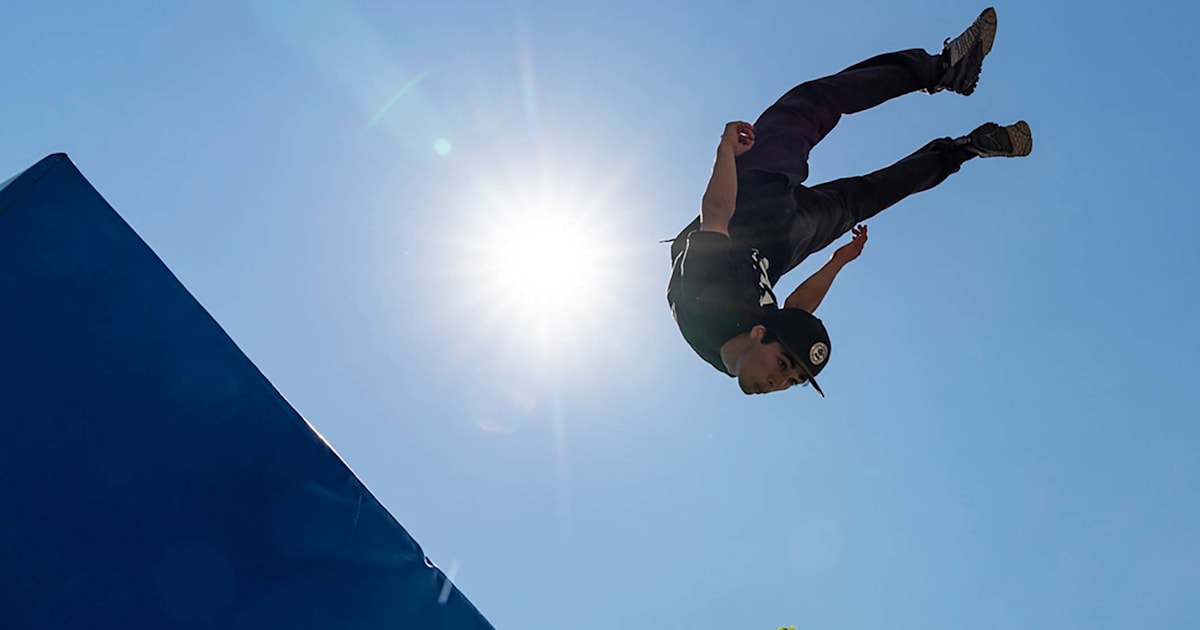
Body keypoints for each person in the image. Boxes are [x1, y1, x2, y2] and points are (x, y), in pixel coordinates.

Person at [666, 7, 1031, 397]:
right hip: (784, 244)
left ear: (759, 334)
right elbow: (799, 308)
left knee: (810, 106)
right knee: (864, 199)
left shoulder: (703, 305)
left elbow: (716, 215)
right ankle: (964, 149)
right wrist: (837, 262)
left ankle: (941, 69)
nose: (778, 382)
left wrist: (725, 151)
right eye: (792, 379)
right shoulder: (763, 336)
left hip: (748, 203)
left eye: (783, 366)